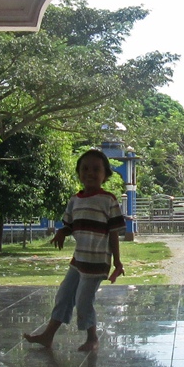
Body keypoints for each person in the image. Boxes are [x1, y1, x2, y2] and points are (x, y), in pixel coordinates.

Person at [25, 148, 124, 353]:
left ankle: (92, 337)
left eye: (96, 169)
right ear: (78, 172)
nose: (90, 173)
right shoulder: (75, 200)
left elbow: (114, 233)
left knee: (83, 300)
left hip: (96, 263)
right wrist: (62, 232)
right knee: (64, 295)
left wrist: (117, 262)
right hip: (78, 260)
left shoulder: (109, 200)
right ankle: (48, 335)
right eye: (85, 168)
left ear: (105, 174)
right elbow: (70, 224)